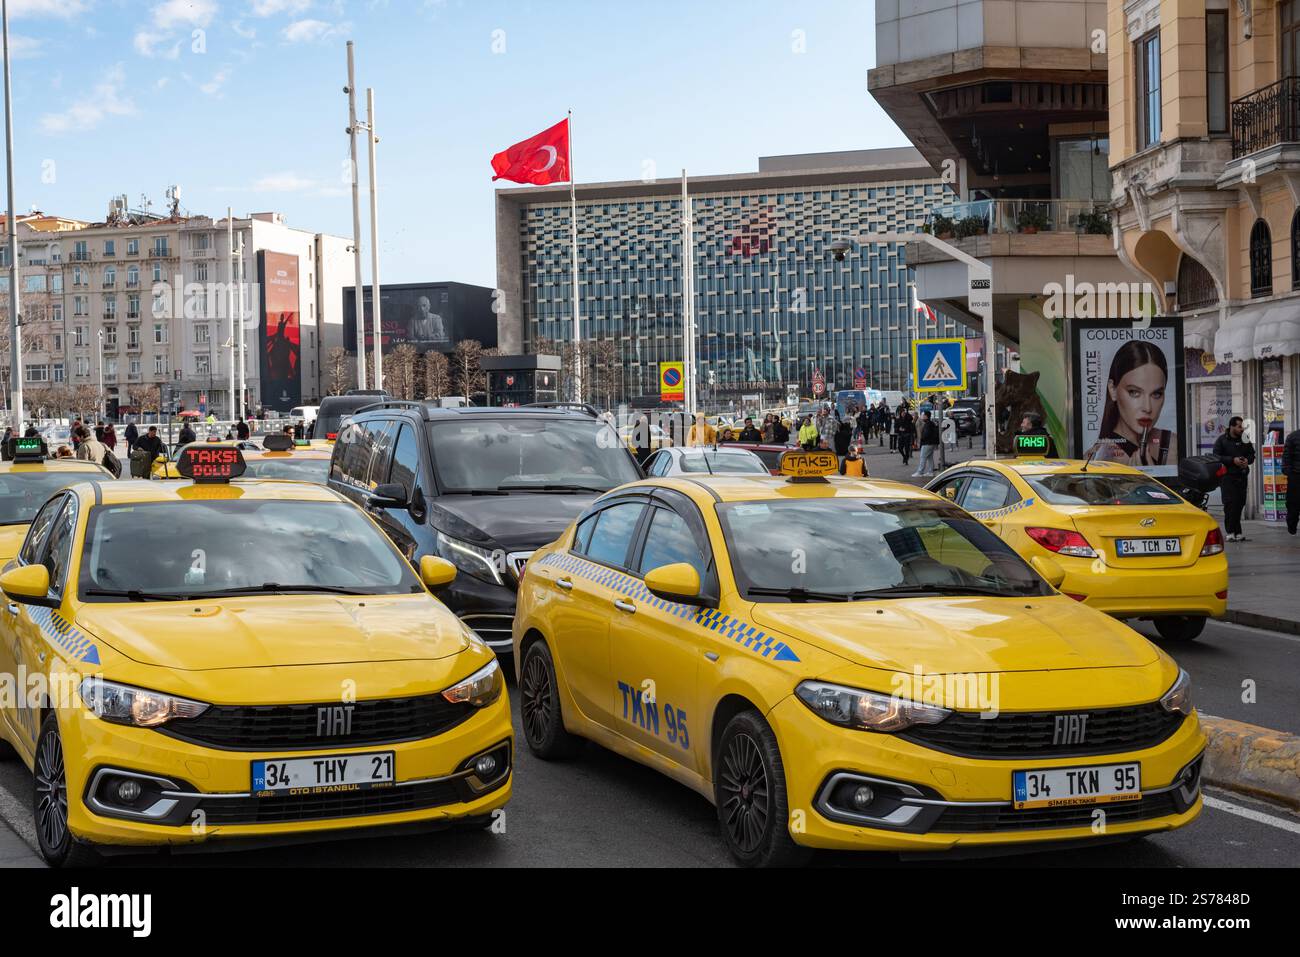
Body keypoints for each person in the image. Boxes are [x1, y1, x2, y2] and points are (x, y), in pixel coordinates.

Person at [1096, 341, 1175, 465]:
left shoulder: (1172, 445)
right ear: (1113, 389)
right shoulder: (1101, 457)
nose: (1147, 408)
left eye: (1156, 394)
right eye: (1134, 392)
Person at [1213, 416, 1254, 542]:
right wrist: (1232, 460)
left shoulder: (1245, 439)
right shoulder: (1222, 440)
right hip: (1227, 476)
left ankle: (1238, 532)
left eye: (1242, 426)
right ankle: (1230, 532)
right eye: (1239, 426)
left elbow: (1252, 454)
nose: (1241, 429)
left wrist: (1247, 460)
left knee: (1240, 503)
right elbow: (1216, 456)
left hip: (1241, 475)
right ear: (1232, 427)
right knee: (1230, 504)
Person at [1283, 424, 1300, 535]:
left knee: (1293, 503)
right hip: (1295, 474)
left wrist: (1289, 472)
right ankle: (1292, 524)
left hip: (1295, 475)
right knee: (1293, 503)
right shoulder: (1293, 437)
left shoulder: (1292, 436)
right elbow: (1287, 457)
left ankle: (1292, 526)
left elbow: (1286, 457)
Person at [914, 411, 940, 477]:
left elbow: (926, 434)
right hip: (931, 443)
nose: (922, 416)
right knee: (929, 457)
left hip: (927, 443)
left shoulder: (928, 424)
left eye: (923, 415)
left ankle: (920, 472)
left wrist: (922, 438)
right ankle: (930, 472)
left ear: (926, 416)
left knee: (923, 457)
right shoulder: (930, 423)